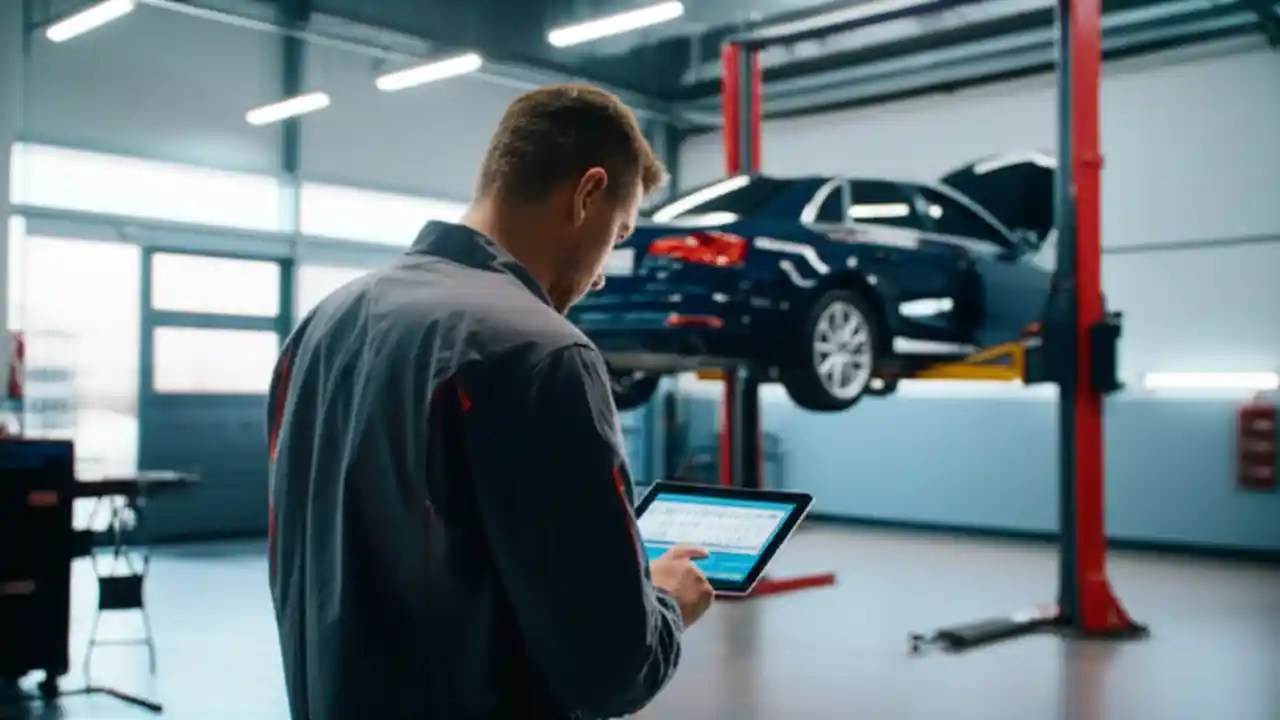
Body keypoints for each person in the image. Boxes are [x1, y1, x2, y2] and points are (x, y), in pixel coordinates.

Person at [265, 84, 714, 720]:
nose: (599, 276)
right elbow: (611, 667)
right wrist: (666, 603)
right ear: (587, 194)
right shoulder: (540, 352)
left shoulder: (322, 325)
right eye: (616, 235)